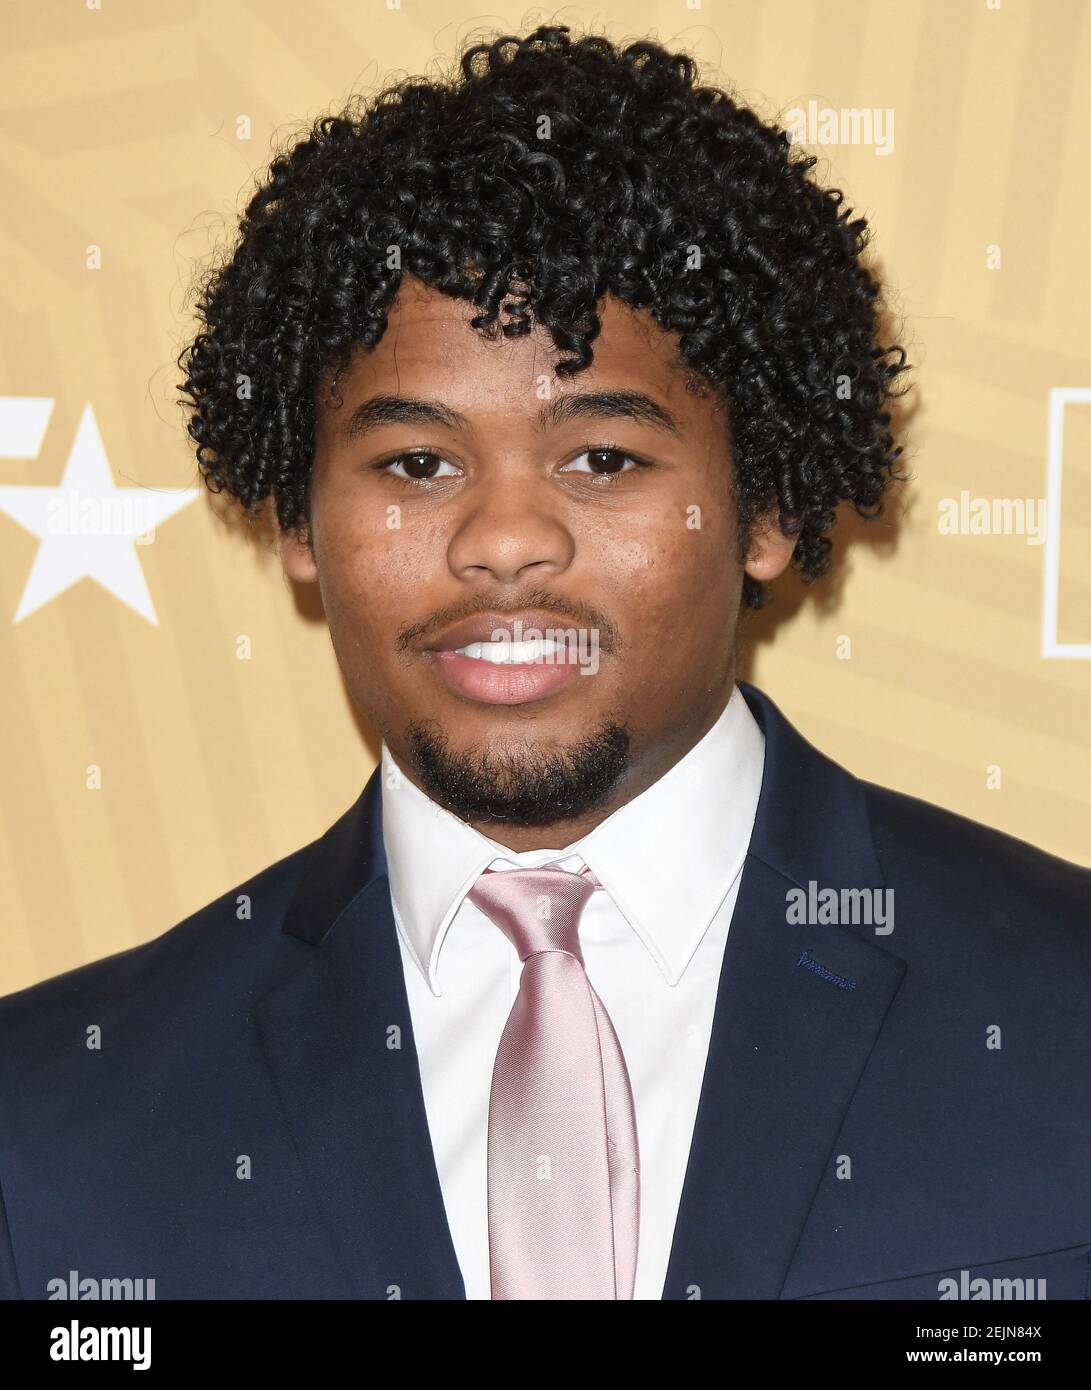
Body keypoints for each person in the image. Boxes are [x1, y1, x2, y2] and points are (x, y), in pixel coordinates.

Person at [1, 25, 1087, 1303]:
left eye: (603, 458)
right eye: (416, 463)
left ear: (769, 509)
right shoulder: (52, 1120)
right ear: (297, 522)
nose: (504, 540)